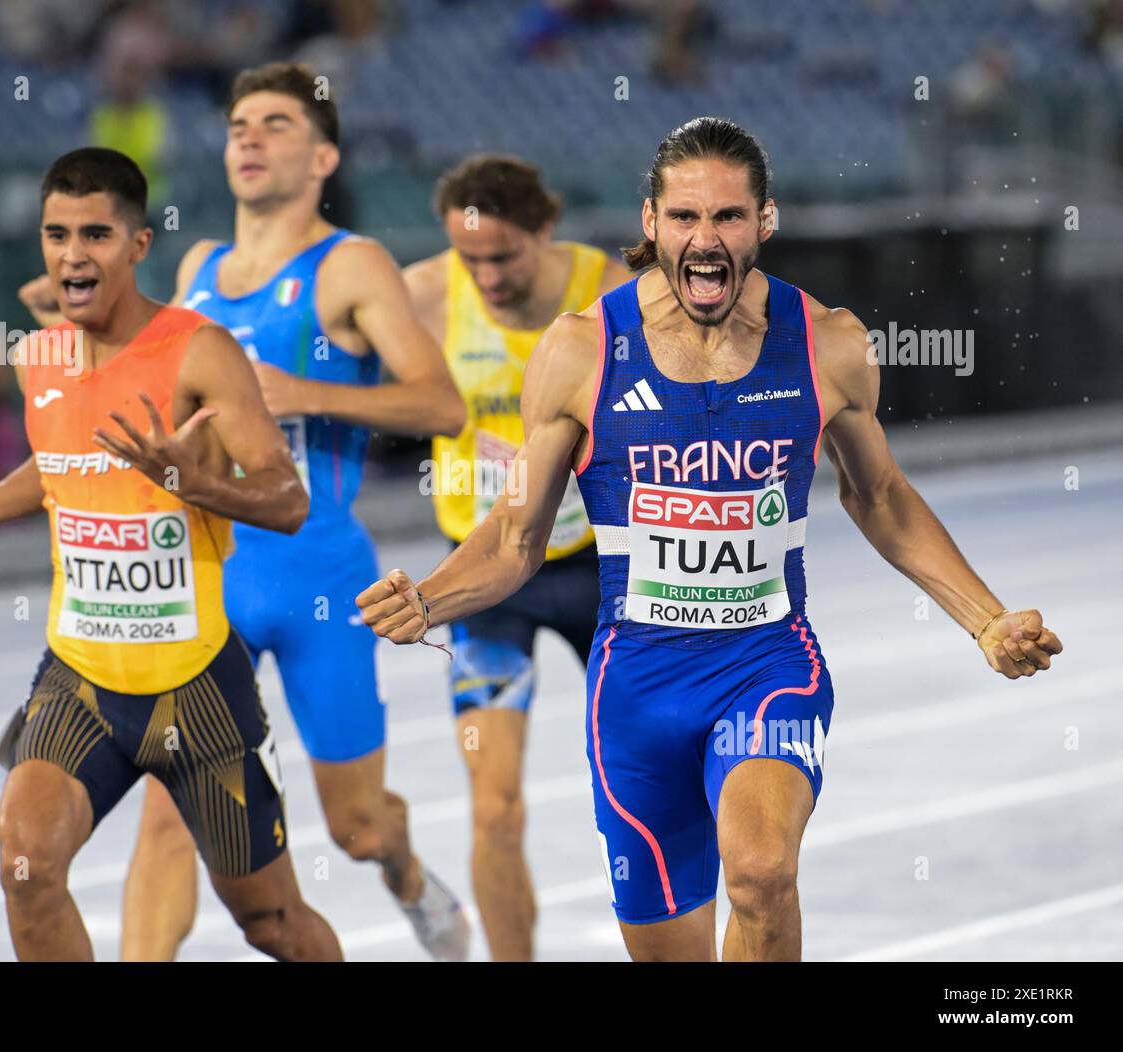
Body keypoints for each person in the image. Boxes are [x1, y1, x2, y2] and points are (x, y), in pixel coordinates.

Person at [357, 117, 1063, 962]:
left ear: (765, 223)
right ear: (650, 223)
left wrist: (984, 619)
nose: (707, 238)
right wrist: (428, 596)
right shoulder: (581, 351)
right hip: (638, 689)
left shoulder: (828, 342)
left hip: (768, 664)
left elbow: (879, 494)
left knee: (761, 873)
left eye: (729, 217)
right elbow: (515, 536)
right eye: (685, 218)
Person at [20, 63, 470, 962]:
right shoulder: (198, 269)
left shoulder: (351, 265)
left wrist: (298, 392)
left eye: (274, 124)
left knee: (356, 831)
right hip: (208, 575)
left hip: (318, 569)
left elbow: (442, 407)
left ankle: (407, 871)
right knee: (168, 820)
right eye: (236, 126)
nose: (249, 140)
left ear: (323, 155)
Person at [0, 147, 341, 962]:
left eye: (95, 234)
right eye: (56, 234)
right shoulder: (38, 357)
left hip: (197, 691)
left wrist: (193, 483)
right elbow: (60, 467)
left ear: (138, 245)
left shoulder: (199, 352)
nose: (72, 254)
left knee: (272, 924)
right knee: (27, 871)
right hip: (79, 681)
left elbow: (288, 499)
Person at [402, 154, 627, 960]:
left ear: (545, 229)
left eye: (504, 256)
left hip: (605, 572)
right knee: (494, 808)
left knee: (644, 793)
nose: (487, 277)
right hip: (488, 578)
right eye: (471, 259)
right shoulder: (422, 294)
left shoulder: (611, 292)